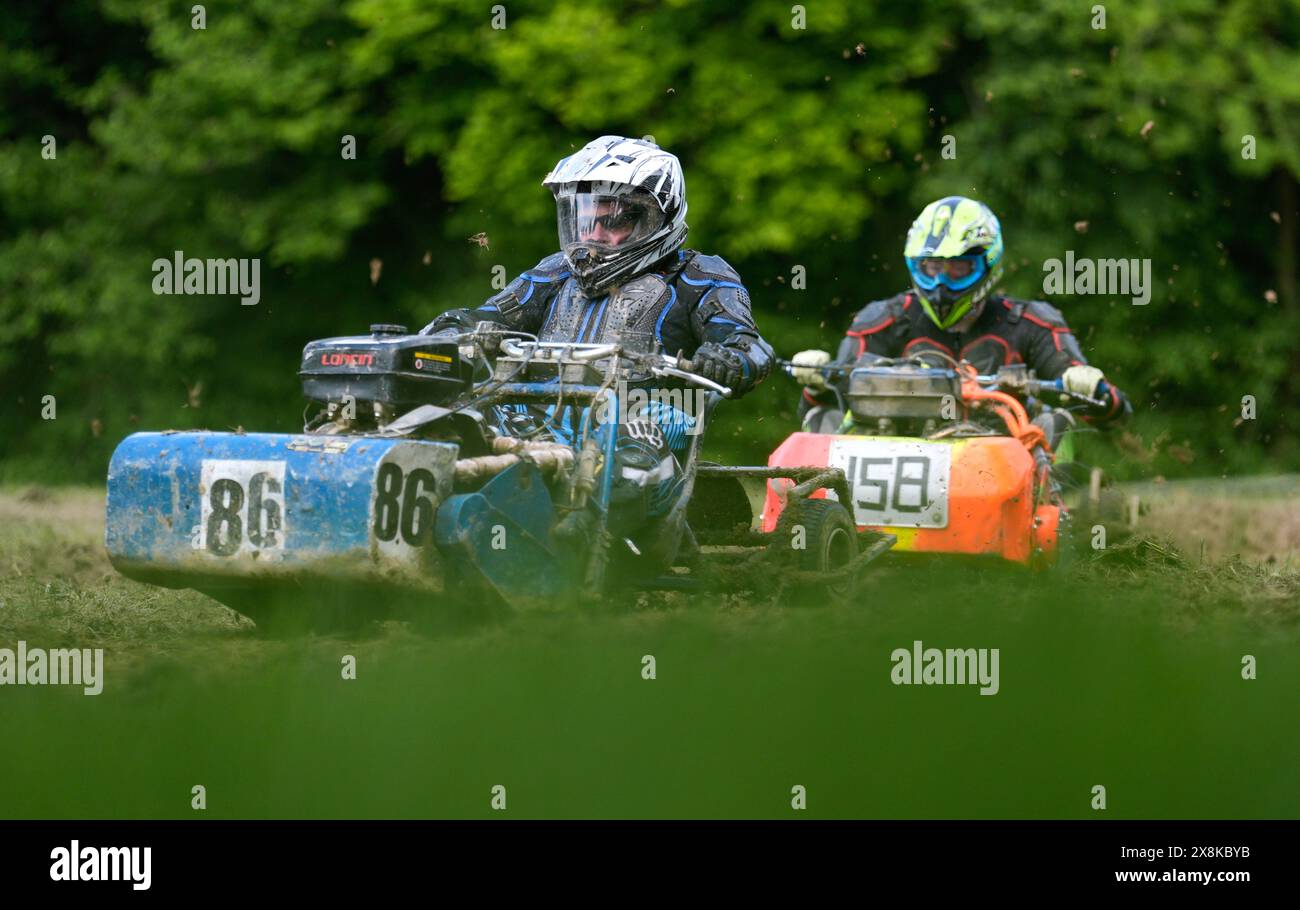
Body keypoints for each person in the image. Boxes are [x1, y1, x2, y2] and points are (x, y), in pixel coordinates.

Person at [421, 135, 774, 561]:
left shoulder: (700, 276)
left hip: (645, 424)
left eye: (615, 221)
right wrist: (454, 328)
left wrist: (730, 360)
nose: (595, 235)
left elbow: (751, 346)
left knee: (611, 444)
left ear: (658, 216)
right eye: (585, 221)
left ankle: (585, 555)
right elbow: (492, 316)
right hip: (541, 419)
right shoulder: (555, 273)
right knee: (457, 419)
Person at [790, 196, 1131, 442]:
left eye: (958, 269)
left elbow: (1115, 413)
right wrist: (817, 383)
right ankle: (825, 510)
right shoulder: (882, 319)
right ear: (915, 266)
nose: (941, 283)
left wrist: (1092, 388)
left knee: (1055, 420)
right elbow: (836, 402)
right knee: (823, 420)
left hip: (1003, 459)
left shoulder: (1032, 323)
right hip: (899, 451)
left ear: (987, 265)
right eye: (933, 268)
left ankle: (1047, 519)